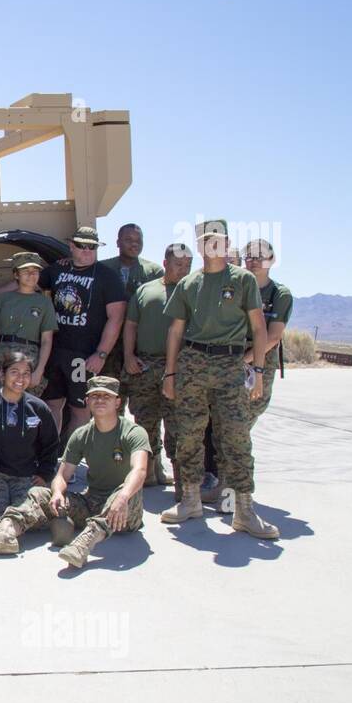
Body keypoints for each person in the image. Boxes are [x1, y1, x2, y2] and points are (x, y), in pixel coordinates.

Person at [159, 219, 278, 539]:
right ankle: (190, 500)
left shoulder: (243, 280)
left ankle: (245, 511)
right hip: (193, 363)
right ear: (200, 247)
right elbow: (175, 331)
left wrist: (259, 372)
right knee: (189, 433)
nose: (213, 245)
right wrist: (170, 373)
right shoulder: (189, 284)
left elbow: (259, 329)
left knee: (236, 436)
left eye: (219, 240)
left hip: (230, 364)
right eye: (207, 240)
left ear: (227, 245)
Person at [0, 376, 148, 569]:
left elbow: (140, 470)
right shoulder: (82, 434)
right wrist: (58, 492)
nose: (100, 400)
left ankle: (83, 543)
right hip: (92, 502)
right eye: (95, 396)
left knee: (126, 489)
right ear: (87, 401)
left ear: (117, 402)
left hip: (127, 511)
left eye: (106, 396)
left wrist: (123, 497)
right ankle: (6, 532)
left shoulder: (132, 432)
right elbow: (62, 475)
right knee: (38, 493)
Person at [35, 226, 127, 436]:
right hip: (55, 351)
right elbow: (27, 282)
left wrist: (101, 354)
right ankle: (52, 452)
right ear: (71, 246)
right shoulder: (57, 269)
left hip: (84, 355)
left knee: (81, 409)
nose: (86, 250)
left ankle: (73, 454)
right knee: (51, 405)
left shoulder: (107, 276)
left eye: (91, 247)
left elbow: (116, 318)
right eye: (81, 245)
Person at [0, 350, 60, 537]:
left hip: (25, 476)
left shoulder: (39, 408)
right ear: (2, 374)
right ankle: (4, 533)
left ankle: (4, 535)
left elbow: (51, 444)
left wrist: (44, 473)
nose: (20, 378)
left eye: (26, 373)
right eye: (14, 372)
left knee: (37, 520)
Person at [123, 243, 192, 487]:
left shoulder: (194, 291)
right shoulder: (145, 291)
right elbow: (130, 325)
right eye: (178, 264)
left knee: (178, 424)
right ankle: (149, 473)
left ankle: (183, 480)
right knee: (145, 421)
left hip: (179, 368)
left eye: (188, 265)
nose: (183, 270)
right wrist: (128, 356)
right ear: (165, 263)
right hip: (145, 365)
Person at [99, 223, 162, 401]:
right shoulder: (103, 268)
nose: (134, 244)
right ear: (118, 242)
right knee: (108, 395)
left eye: (138, 240)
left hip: (139, 346)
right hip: (108, 344)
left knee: (142, 400)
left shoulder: (154, 272)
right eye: (128, 239)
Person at [0, 253, 56, 396]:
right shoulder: (4, 299)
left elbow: (47, 340)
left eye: (35, 271)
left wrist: (39, 370)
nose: (31, 275)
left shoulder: (45, 302)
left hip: (29, 359)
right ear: (16, 275)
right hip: (1, 358)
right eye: (25, 271)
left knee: (26, 402)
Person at [243, 239, 292, 426]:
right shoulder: (234, 288)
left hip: (260, 355)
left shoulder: (279, 294)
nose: (254, 261)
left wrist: (243, 361)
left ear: (272, 260)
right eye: (249, 256)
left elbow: (273, 337)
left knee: (246, 415)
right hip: (230, 352)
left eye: (260, 257)